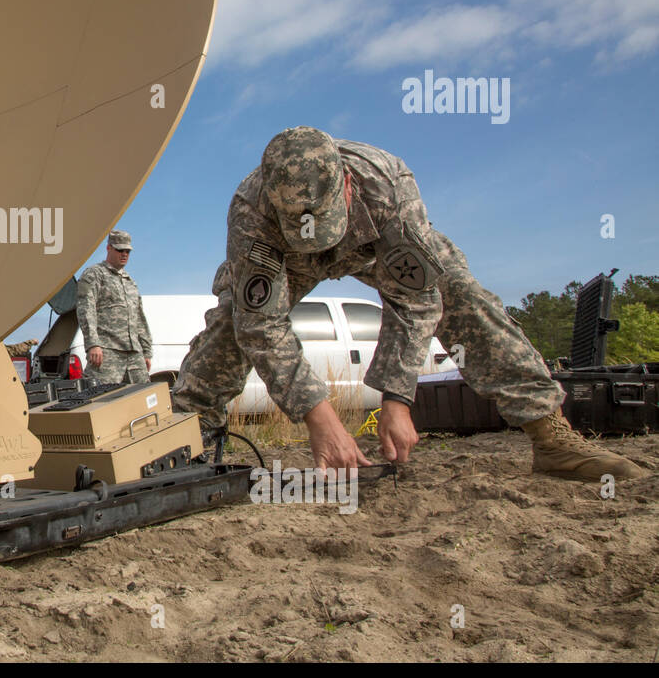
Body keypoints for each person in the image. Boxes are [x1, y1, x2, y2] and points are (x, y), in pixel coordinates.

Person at [172, 126, 644, 482]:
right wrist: (320, 416)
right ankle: (186, 442)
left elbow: (416, 299)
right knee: (234, 324)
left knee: (461, 295)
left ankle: (550, 434)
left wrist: (397, 401)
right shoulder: (251, 212)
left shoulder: (386, 186)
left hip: (373, 241)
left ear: (348, 187)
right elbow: (262, 325)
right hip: (284, 262)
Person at [76, 230, 153, 386]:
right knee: (99, 399)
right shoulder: (94, 275)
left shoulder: (130, 282)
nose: (124, 254)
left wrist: (146, 351)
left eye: (127, 251)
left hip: (134, 354)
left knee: (143, 396)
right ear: (109, 248)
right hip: (107, 351)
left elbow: (139, 318)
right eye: (120, 250)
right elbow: (86, 309)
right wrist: (93, 344)